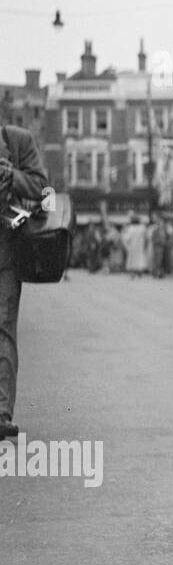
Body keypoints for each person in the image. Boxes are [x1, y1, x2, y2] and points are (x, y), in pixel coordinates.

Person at [0, 123, 49, 440]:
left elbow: (46, 190)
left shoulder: (16, 140)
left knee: (2, 327)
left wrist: (11, 175)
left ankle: (1, 412)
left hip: (5, 252)